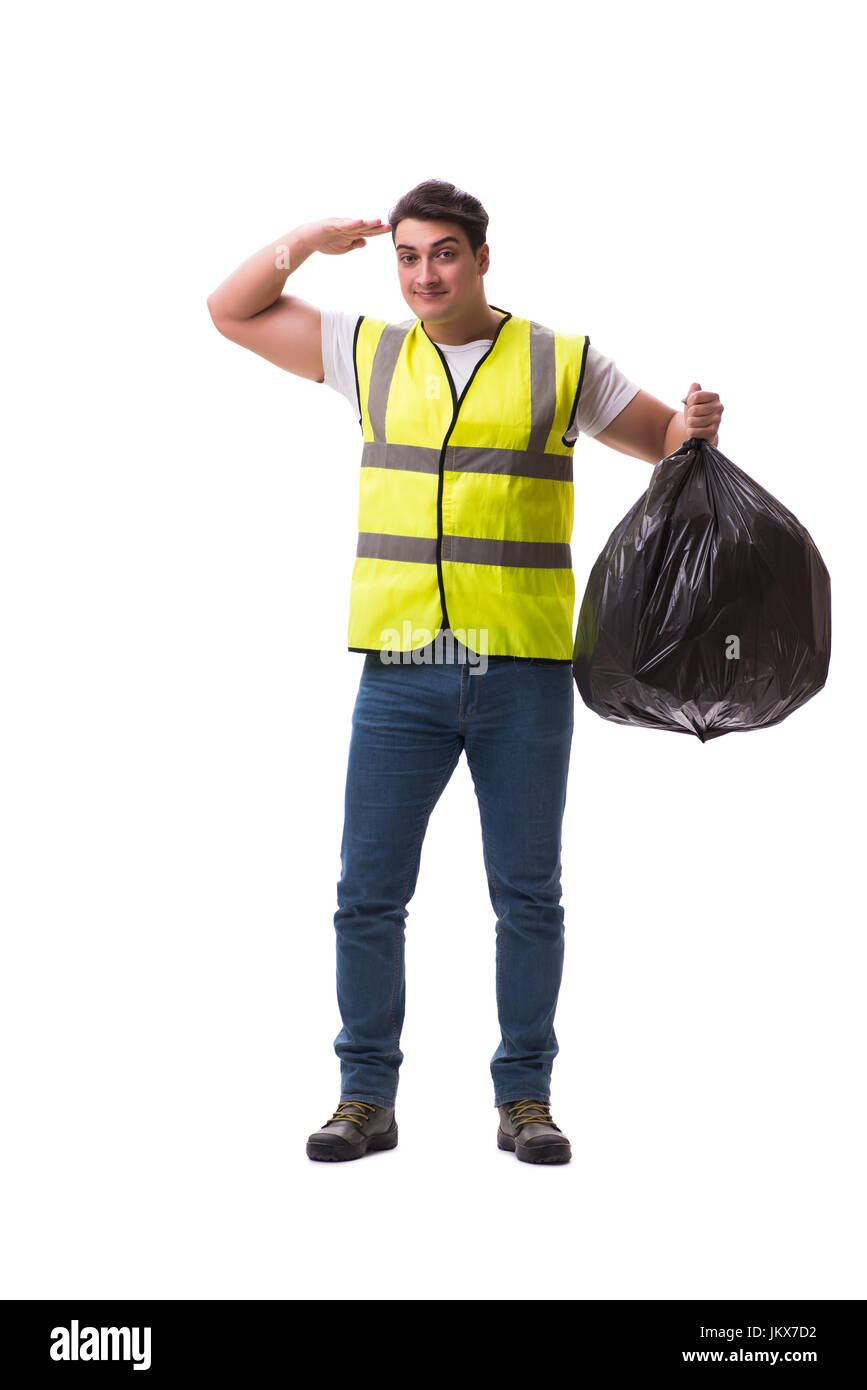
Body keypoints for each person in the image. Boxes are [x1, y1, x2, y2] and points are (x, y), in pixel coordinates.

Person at [206, 179, 724, 1166]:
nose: (423, 275)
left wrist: (696, 424)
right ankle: (365, 1096)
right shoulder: (368, 350)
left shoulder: (561, 362)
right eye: (407, 256)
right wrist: (310, 239)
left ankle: (526, 1097)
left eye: (443, 253)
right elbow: (230, 310)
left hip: (520, 674)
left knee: (527, 896)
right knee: (367, 895)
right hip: (402, 673)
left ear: (483, 257)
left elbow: (666, 443)